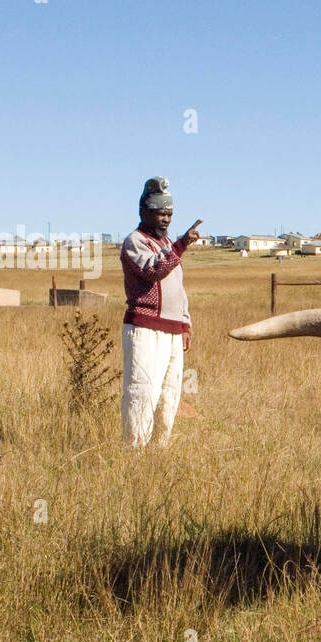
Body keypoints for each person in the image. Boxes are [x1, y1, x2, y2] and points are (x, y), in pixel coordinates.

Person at [120, 176, 201, 448]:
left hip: (171, 332)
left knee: (169, 393)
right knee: (142, 390)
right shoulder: (135, 242)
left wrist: (184, 324)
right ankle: (134, 452)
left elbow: (178, 288)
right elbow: (152, 270)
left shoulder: (167, 246)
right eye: (159, 214)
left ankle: (159, 451)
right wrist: (181, 245)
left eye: (169, 214)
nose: (165, 219)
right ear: (144, 212)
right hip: (145, 329)